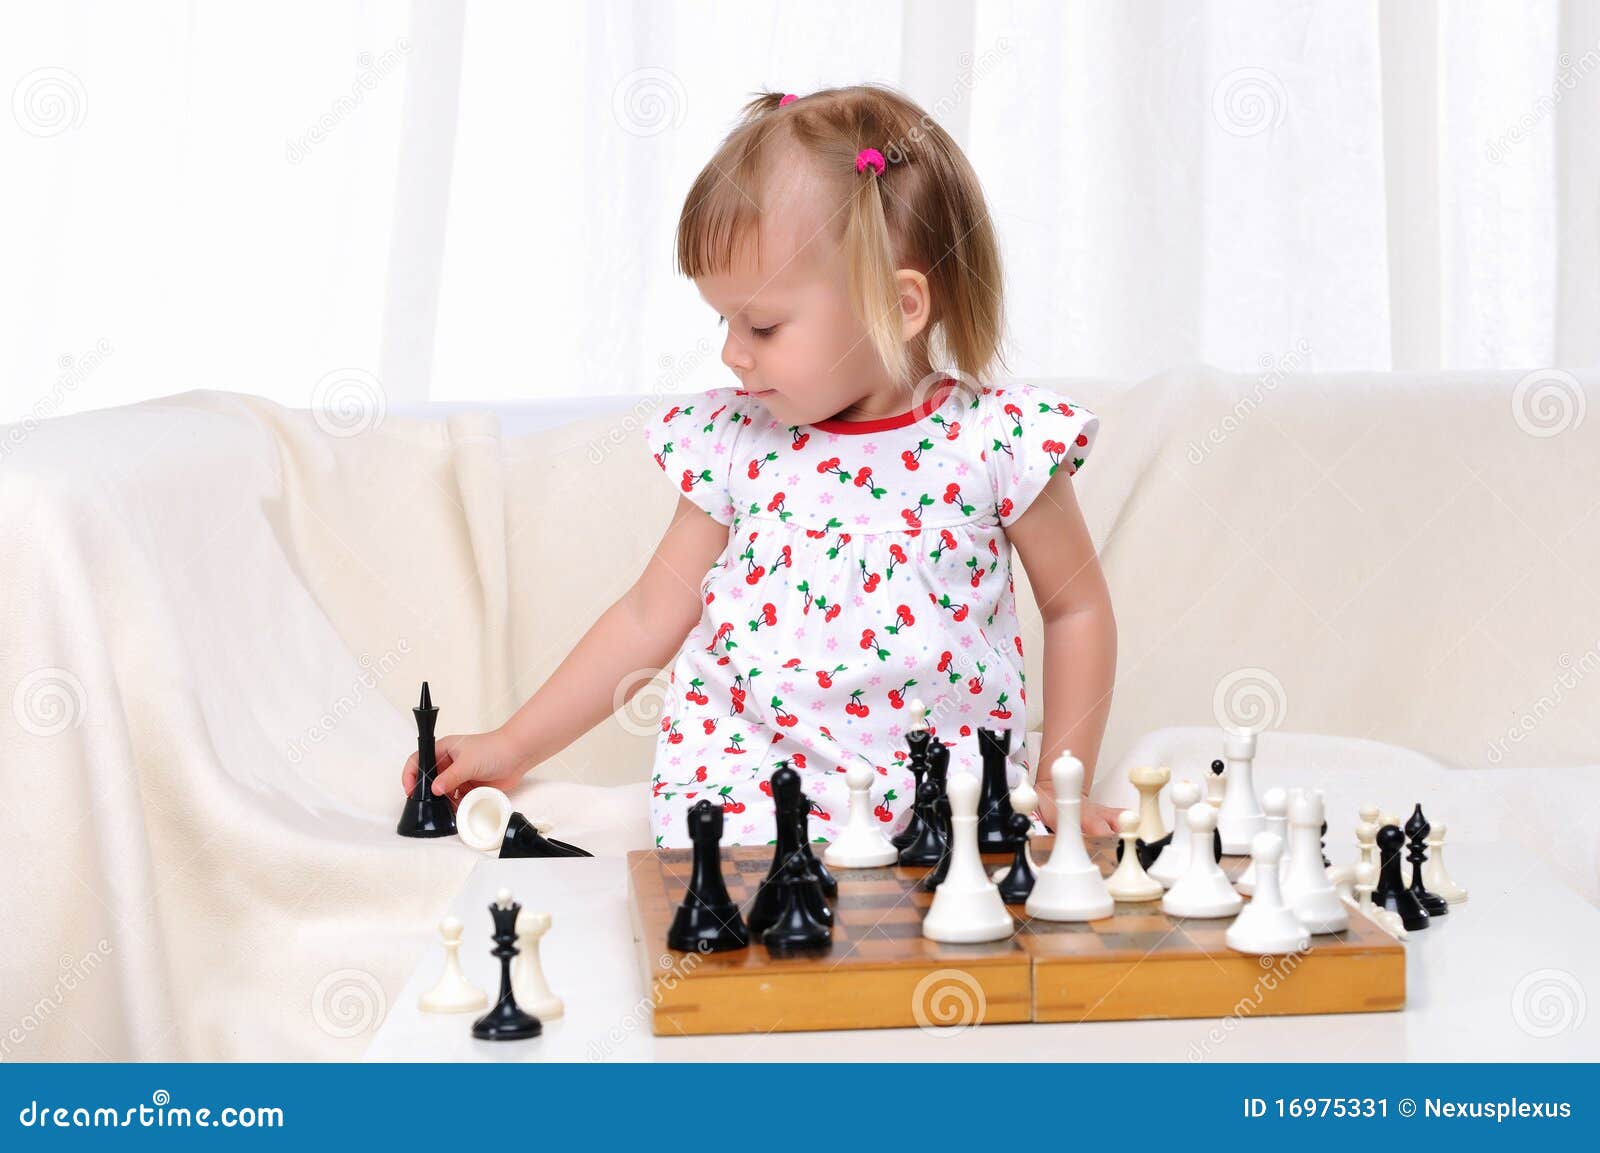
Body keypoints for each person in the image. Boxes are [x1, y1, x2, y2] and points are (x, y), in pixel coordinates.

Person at [402, 84, 1119, 845]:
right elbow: (649, 616)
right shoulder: (736, 441)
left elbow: (1077, 609)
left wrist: (1058, 786)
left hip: (950, 807)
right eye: (724, 318)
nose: (731, 351)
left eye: (764, 324)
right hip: (749, 801)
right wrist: (512, 744)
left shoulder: (999, 442)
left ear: (903, 305)